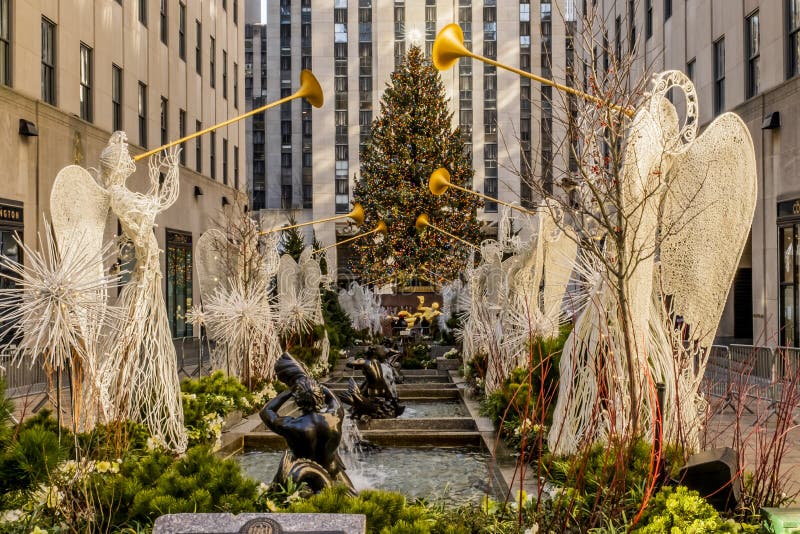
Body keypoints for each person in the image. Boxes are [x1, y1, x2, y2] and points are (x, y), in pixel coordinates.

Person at [260, 353, 354, 493]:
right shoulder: (334, 417)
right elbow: (334, 399)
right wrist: (313, 384)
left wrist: (290, 390)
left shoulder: (292, 426)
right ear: (320, 395)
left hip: (303, 480)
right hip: (334, 474)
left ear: (297, 399)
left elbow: (266, 411)